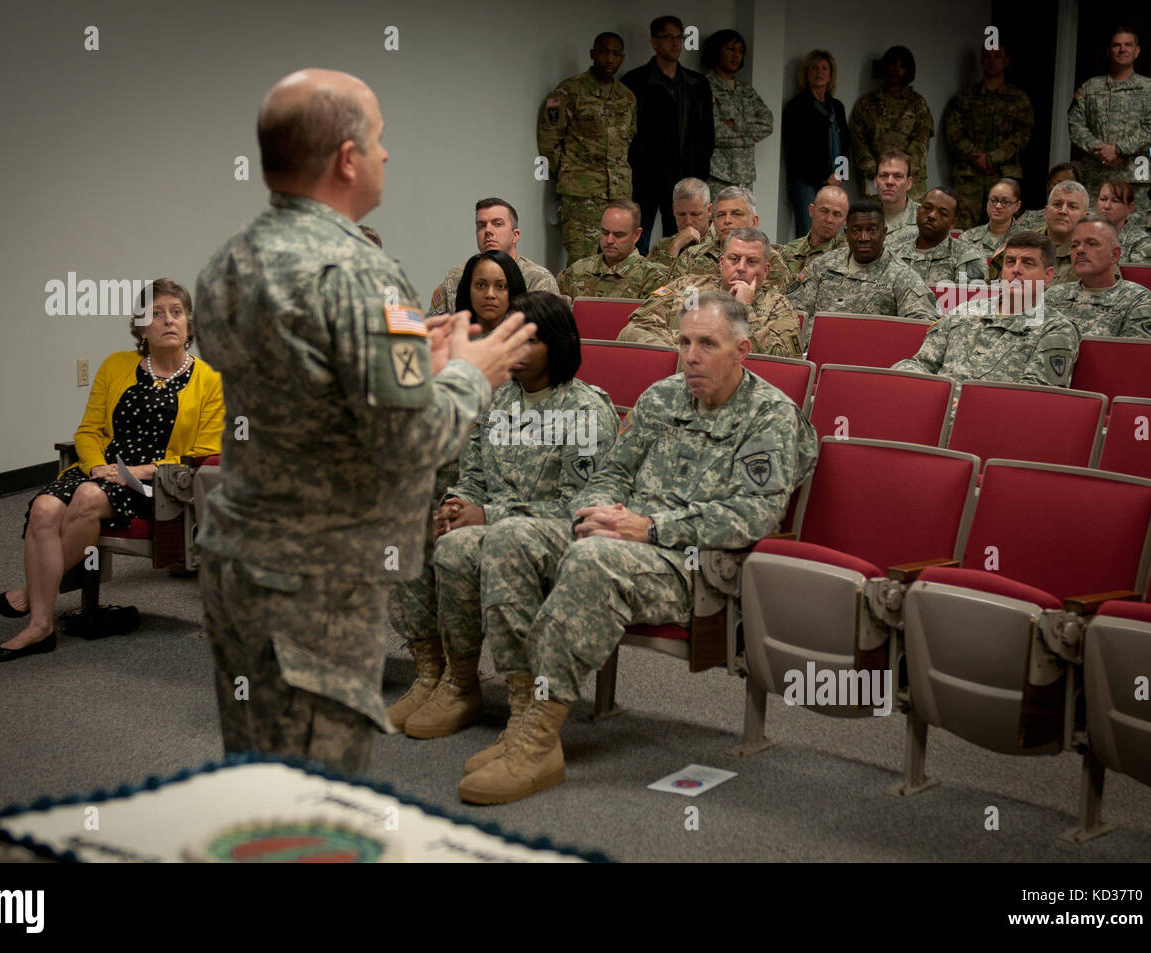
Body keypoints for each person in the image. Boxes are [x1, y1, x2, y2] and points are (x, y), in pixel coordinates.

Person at [193, 69, 535, 775]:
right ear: (347, 158)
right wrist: (473, 373)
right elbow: (410, 440)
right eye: (380, 140)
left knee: (260, 765)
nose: (388, 155)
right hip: (320, 574)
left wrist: (411, 361)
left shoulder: (230, 259)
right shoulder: (362, 272)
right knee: (316, 786)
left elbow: (305, 393)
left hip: (237, 551)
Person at [458, 291, 818, 804]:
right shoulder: (661, 397)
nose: (691, 355)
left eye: (707, 344)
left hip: (694, 563)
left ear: (743, 349)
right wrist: (600, 512)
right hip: (624, 534)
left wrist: (648, 527)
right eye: (685, 342)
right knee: (509, 537)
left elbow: (751, 517)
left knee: (592, 560)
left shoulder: (770, 417)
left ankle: (539, 742)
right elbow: (613, 472)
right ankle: (524, 713)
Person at [387, 292, 619, 739]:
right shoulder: (496, 400)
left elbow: (581, 505)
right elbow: (471, 473)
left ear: (557, 344)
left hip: (552, 534)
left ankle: (467, 685)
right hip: (495, 523)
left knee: (456, 548)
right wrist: (455, 504)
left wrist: (485, 515)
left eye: (526, 342)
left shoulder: (585, 410)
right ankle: (433, 673)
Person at [0, 279, 225, 662]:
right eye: (156, 314)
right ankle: (41, 627)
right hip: (101, 470)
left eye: (176, 313)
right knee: (46, 508)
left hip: (157, 485)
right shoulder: (116, 364)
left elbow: (203, 453)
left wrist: (138, 471)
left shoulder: (210, 380)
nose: (168, 321)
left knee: (86, 498)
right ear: (141, 328)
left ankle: (33, 595)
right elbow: (88, 431)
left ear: (189, 325)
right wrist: (97, 464)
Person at [893, 231, 1080, 386]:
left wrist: (968, 402)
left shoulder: (1056, 329)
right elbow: (920, 364)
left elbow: (1036, 396)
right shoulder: (964, 311)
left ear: (1047, 276)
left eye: (1027, 263)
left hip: (993, 420)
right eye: (1010, 262)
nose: (1016, 269)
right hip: (937, 406)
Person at [618, 227, 802, 357]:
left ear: (766, 270)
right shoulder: (686, 285)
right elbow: (635, 328)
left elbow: (783, 362)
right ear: (722, 263)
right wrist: (685, 352)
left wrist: (745, 309)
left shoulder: (779, 307)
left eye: (751, 262)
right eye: (734, 259)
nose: (741, 268)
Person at [537, 32, 638, 265]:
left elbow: (629, 139)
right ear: (593, 54)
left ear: (622, 57)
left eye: (615, 53)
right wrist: (568, 174)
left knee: (622, 261)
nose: (609, 59)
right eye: (604, 52)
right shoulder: (570, 91)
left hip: (619, 193)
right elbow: (549, 139)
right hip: (582, 195)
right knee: (582, 262)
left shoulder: (627, 97)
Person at [622, 15, 714, 255]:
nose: (675, 44)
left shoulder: (697, 83)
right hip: (646, 177)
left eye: (679, 38)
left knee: (685, 240)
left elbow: (707, 132)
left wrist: (700, 171)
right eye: (668, 37)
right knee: (638, 240)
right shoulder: (635, 81)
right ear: (654, 42)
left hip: (686, 177)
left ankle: (680, 288)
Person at [786, 200, 938, 343]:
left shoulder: (901, 276)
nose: (863, 238)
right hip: (814, 354)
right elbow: (793, 312)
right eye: (856, 230)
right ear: (846, 233)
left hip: (869, 360)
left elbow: (923, 326)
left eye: (871, 230)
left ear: (884, 232)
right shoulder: (824, 265)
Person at [1067, 25, 1151, 202]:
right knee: (1093, 224)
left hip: (1135, 174)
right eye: (1116, 45)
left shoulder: (1149, 89)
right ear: (1108, 51)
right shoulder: (1091, 87)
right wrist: (1100, 150)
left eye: (1128, 45)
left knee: (1134, 225)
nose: (1122, 49)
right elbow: (1075, 124)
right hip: (1095, 175)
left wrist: (1119, 149)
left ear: (1136, 51)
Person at [945, 43, 1034, 229]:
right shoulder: (965, 97)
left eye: (997, 56)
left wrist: (991, 159)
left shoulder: (1018, 99)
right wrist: (977, 158)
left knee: (1004, 229)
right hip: (969, 175)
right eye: (987, 56)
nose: (991, 61)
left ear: (1007, 61)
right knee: (963, 230)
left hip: (1004, 173)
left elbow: (1022, 135)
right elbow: (954, 133)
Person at [428, 198, 558, 315]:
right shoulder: (457, 276)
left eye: (498, 224)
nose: (488, 230)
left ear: (515, 235)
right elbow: (431, 328)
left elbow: (547, 335)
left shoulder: (537, 278)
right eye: (481, 226)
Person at [1042, 216, 1151, 339]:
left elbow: (1137, 355)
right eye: (1074, 245)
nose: (1080, 250)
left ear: (1114, 255)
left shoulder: (1138, 300)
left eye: (1092, 244)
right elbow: (1026, 343)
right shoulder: (1053, 295)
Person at [849, 46, 933, 201]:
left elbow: (921, 143)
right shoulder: (866, 104)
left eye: (901, 66)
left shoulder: (917, 104)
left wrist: (900, 173)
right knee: (875, 223)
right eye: (892, 64)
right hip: (875, 182)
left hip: (909, 185)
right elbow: (858, 142)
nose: (896, 69)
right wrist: (877, 172)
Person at [669, 185, 793, 290]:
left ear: (754, 222)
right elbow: (671, 296)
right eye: (721, 215)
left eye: (736, 214)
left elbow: (771, 305)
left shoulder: (770, 260)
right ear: (714, 222)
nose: (727, 220)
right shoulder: (692, 255)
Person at [783, 49, 850, 236]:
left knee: (834, 230)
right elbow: (797, 149)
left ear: (831, 75)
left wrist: (840, 175)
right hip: (806, 179)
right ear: (806, 73)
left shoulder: (837, 107)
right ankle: (806, 267)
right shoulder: (797, 105)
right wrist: (825, 175)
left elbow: (845, 143)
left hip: (834, 179)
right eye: (814, 68)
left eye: (824, 69)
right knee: (808, 230)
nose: (819, 73)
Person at [702, 29, 772, 198]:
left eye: (740, 51)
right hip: (716, 175)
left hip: (745, 178)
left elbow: (767, 124)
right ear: (717, 50)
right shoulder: (704, 85)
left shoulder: (746, 89)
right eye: (730, 49)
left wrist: (734, 124)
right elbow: (712, 132)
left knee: (744, 223)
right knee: (715, 223)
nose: (736, 55)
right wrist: (749, 138)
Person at [556, 200, 667, 299]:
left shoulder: (653, 278)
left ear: (637, 235)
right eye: (605, 232)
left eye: (618, 235)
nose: (609, 240)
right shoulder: (577, 271)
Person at [990, 181, 1092, 285]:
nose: (1063, 211)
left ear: (1085, 216)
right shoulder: (1018, 244)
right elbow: (992, 290)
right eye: (1057, 204)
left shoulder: (1092, 254)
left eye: (1072, 206)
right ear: (1046, 212)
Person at [885, 186, 986, 285]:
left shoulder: (967, 257)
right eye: (927, 208)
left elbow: (969, 299)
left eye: (942, 213)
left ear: (953, 223)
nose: (932, 215)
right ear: (917, 211)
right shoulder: (894, 253)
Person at [778, 184, 849, 282]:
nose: (829, 219)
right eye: (824, 211)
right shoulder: (787, 252)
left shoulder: (849, 256)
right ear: (811, 210)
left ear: (845, 221)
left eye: (837, 214)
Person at [646, 177, 712, 267]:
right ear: (674, 211)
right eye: (681, 214)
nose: (688, 222)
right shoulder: (662, 247)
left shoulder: (725, 243)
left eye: (695, 214)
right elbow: (651, 280)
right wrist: (675, 246)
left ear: (709, 210)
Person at [454, 251, 527, 333]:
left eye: (500, 286)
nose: (490, 294)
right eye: (481, 285)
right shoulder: (451, 339)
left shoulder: (529, 340)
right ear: (468, 289)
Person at [1095, 176, 1151, 263]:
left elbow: (1145, 276)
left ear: (1130, 207)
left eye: (1115, 201)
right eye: (1103, 199)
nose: (1107, 206)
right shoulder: (1084, 235)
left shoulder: (1140, 243)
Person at [959, 178, 1022, 256]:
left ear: (1017, 206)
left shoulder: (1027, 239)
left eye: (1005, 202)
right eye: (993, 200)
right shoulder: (968, 238)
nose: (998, 206)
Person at [1018, 162, 1083, 232]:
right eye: (1057, 184)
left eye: (1069, 186)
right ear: (1048, 186)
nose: (1063, 189)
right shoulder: (1029, 219)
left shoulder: (1088, 220)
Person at [874, 151, 919, 235]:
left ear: (909, 183)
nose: (889, 182)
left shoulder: (924, 219)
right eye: (883, 176)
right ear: (875, 182)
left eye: (898, 176)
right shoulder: (864, 219)